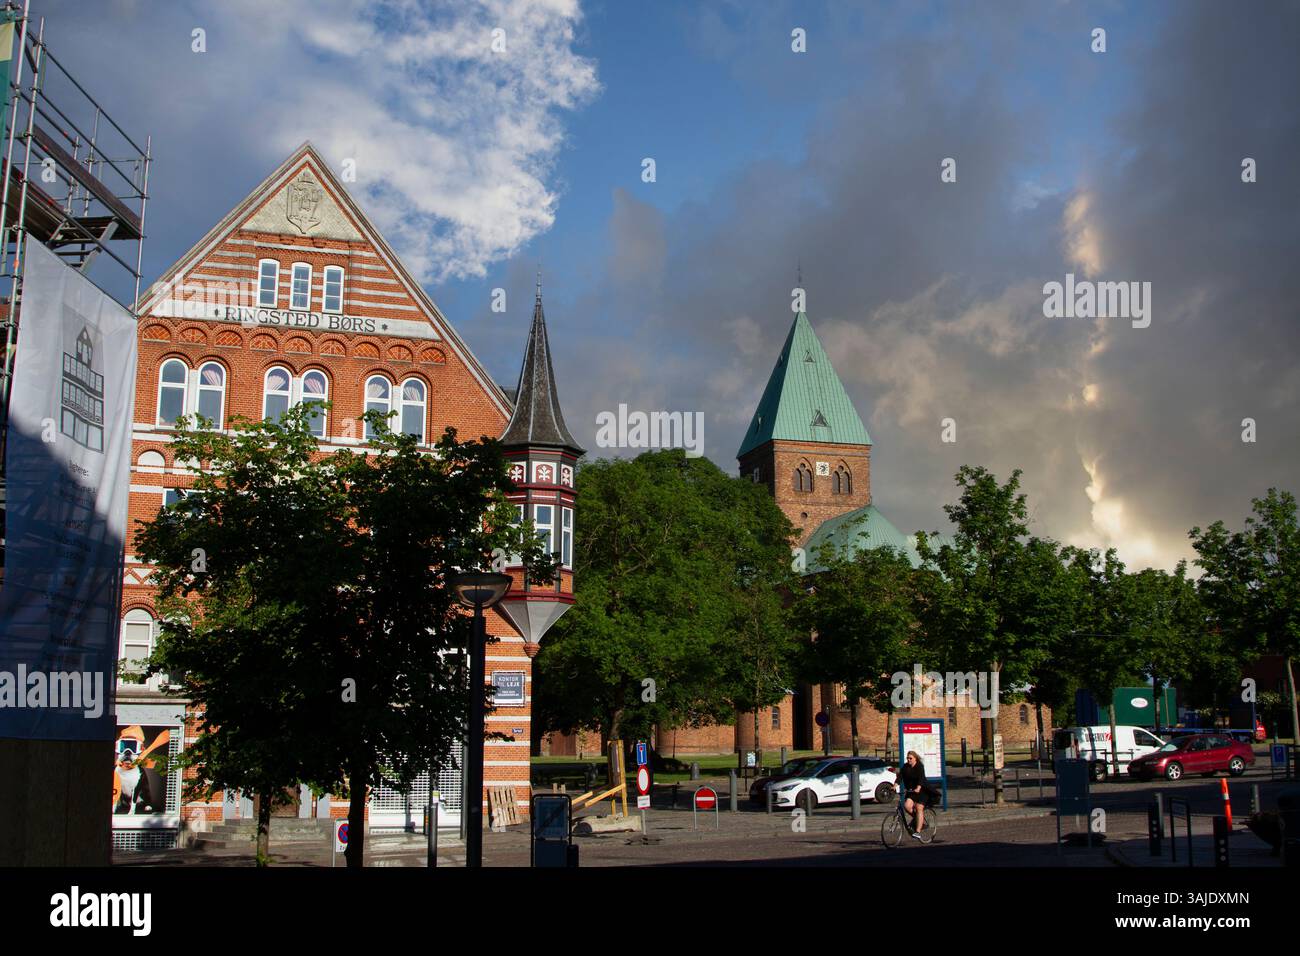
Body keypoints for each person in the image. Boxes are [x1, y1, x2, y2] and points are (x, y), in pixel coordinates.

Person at [896, 750, 933, 838]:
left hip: (922, 790)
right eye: (907, 758)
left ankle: (918, 831)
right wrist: (894, 785)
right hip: (911, 791)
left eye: (910, 758)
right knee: (907, 806)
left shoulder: (919, 766)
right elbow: (900, 777)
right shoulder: (905, 767)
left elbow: (921, 778)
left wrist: (919, 787)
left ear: (915, 758)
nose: (908, 760)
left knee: (919, 807)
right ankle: (919, 820)